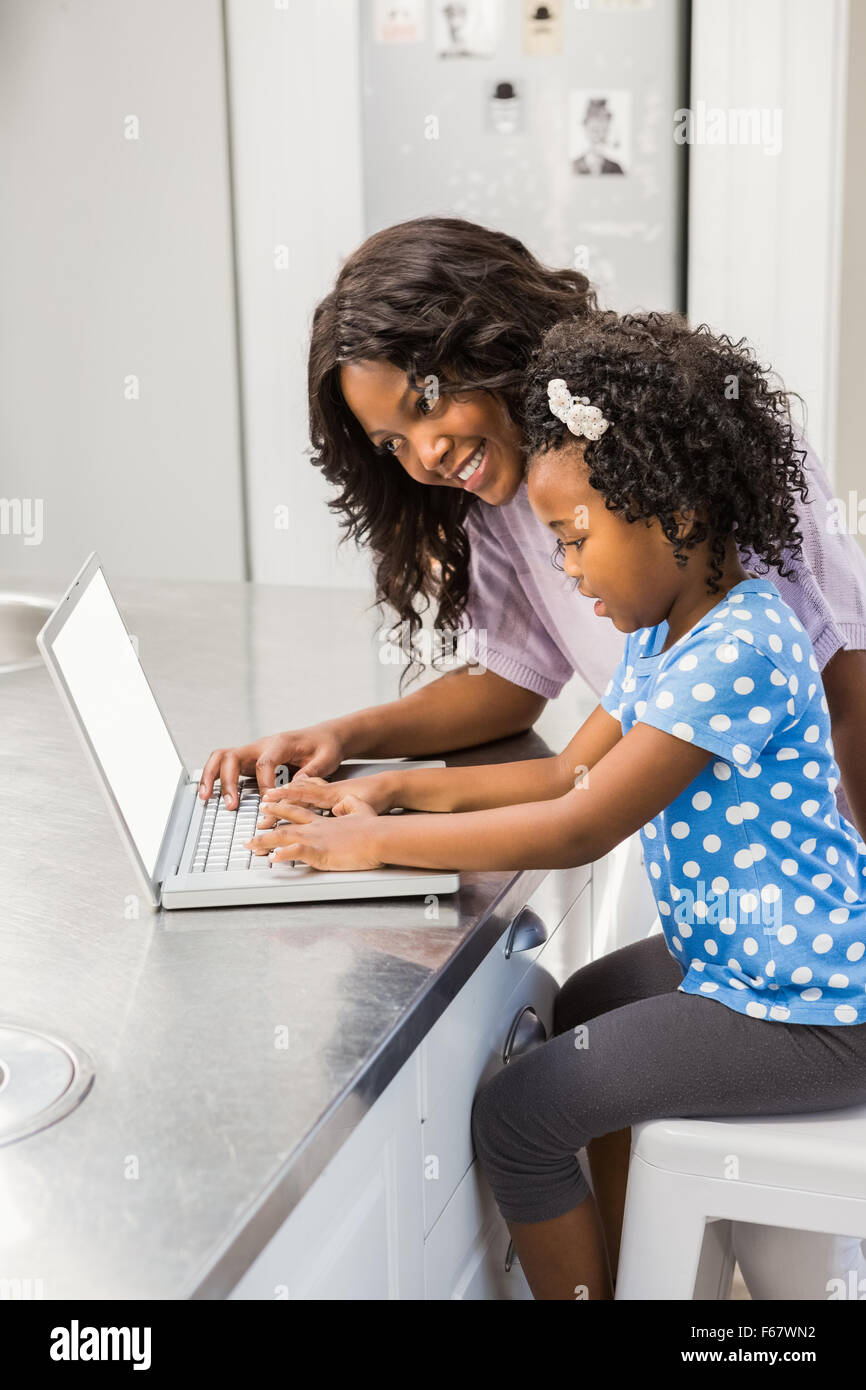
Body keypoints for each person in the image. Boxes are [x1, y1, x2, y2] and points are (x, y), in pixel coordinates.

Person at [199, 217, 866, 1297]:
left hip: (813, 1000)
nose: (562, 569)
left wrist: (372, 843)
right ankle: (626, 1273)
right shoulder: (665, 627)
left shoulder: (742, 643)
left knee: (517, 1114)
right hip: (754, 954)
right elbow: (563, 766)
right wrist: (382, 787)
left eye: (573, 540)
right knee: (583, 1003)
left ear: (673, 512)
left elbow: (581, 822)